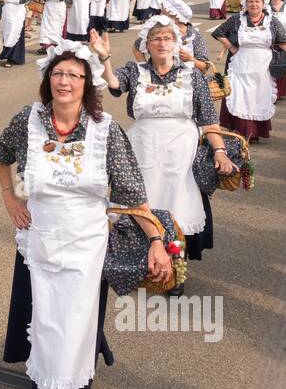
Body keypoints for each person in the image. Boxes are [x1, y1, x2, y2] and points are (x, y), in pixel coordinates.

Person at [0, 43, 170, 389]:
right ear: (47, 80)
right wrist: (10, 199)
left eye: (73, 75)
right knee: (44, 320)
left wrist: (158, 241)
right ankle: (56, 383)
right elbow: (1, 156)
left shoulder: (105, 129)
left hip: (86, 245)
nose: (64, 81)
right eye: (58, 74)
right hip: (39, 240)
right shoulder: (29, 120)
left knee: (70, 326)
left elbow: (131, 194)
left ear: (87, 84)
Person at [98, 19, 233, 282]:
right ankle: (143, 261)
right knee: (142, 204)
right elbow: (114, 84)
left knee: (177, 207)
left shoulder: (191, 75)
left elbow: (208, 118)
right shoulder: (135, 71)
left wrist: (220, 151)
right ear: (146, 45)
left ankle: (174, 271)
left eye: (167, 38)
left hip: (181, 154)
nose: (162, 43)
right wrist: (104, 57)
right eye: (156, 38)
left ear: (176, 43)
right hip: (142, 148)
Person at [213, 0, 286, 143]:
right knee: (240, 95)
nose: (254, 4)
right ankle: (239, 131)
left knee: (258, 97)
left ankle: (254, 132)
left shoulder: (272, 21)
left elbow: (283, 42)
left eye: (257, 1)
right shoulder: (236, 19)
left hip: (263, 66)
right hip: (240, 64)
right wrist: (232, 48)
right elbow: (219, 32)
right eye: (250, 1)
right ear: (245, 4)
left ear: (263, 4)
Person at [0, 0, 31, 68]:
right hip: (7, 13)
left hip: (18, 14)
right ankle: (9, 56)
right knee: (7, 34)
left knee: (15, 34)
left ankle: (11, 58)